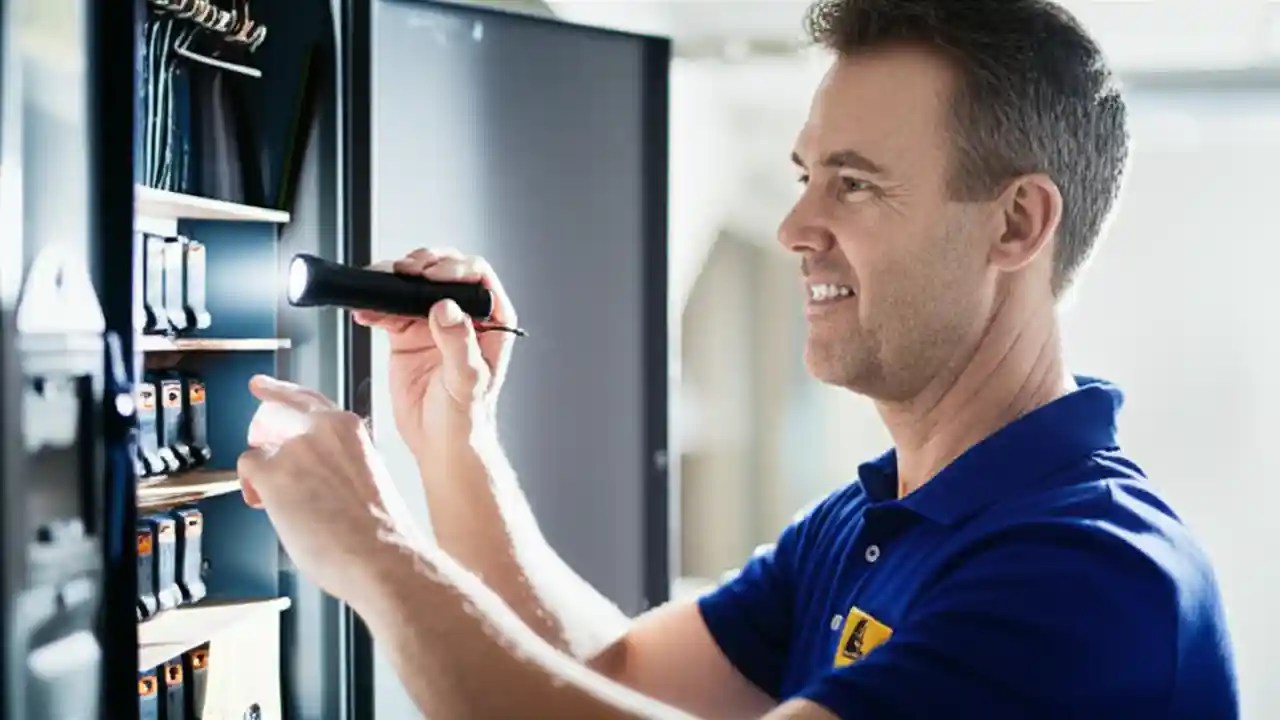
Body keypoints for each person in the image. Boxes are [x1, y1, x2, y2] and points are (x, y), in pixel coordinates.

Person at [236, 0, 1239, 717]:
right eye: (807, 176)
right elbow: (613, 671)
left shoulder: (1086, 578)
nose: (794, 226)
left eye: (852, 184)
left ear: (1014, 223)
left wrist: (376, 552)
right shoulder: (869, 521)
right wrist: (454, 437)